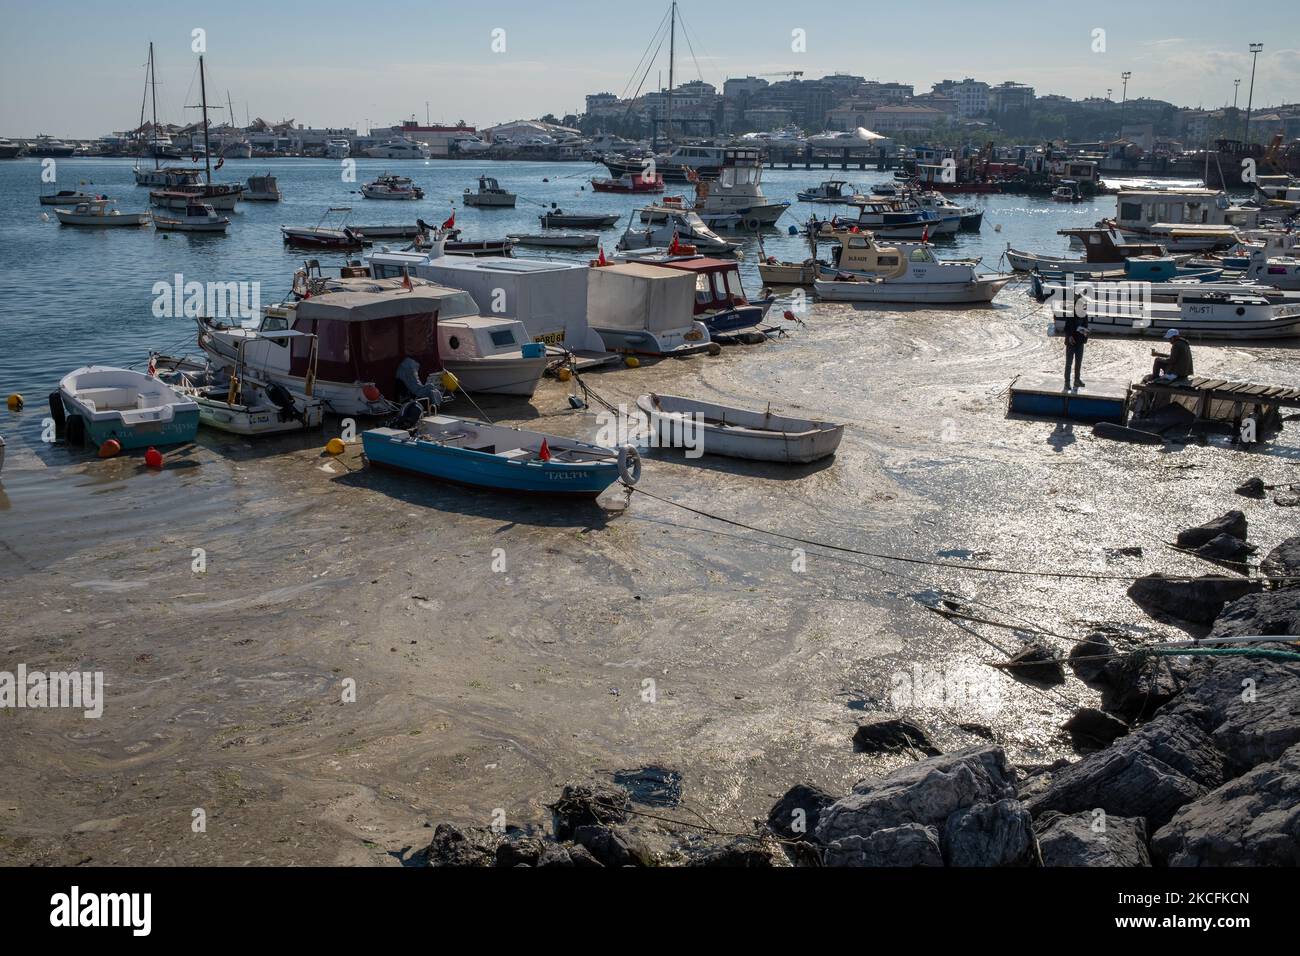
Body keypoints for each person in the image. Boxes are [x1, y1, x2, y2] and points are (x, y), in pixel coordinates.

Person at [1062, 299, 1088, 390]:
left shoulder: (1084, 315)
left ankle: (1077, 380)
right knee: (1069, 363)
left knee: (1078, 363)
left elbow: (1085, 328)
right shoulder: (1071, 315)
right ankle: (1067, 383)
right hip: (1071, 342)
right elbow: (1066, 328)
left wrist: (1086, 333)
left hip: (1080, 342)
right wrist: (1069, 336)